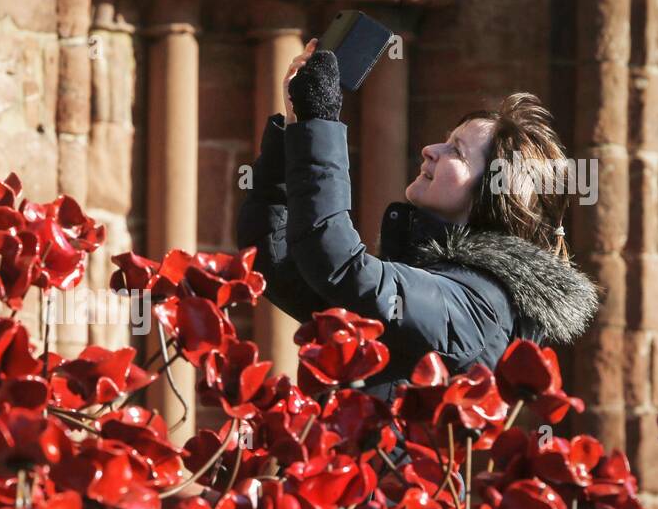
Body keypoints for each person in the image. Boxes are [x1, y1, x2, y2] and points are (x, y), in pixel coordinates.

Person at [236, 39, 600, 400]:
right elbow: (272, 256)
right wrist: (297, 128)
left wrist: (321, 123)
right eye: (445, 141)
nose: (431, 150)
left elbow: (339, 265)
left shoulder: (480, 306)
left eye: (456, 150)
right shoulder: (432, 280)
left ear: (493, 195)